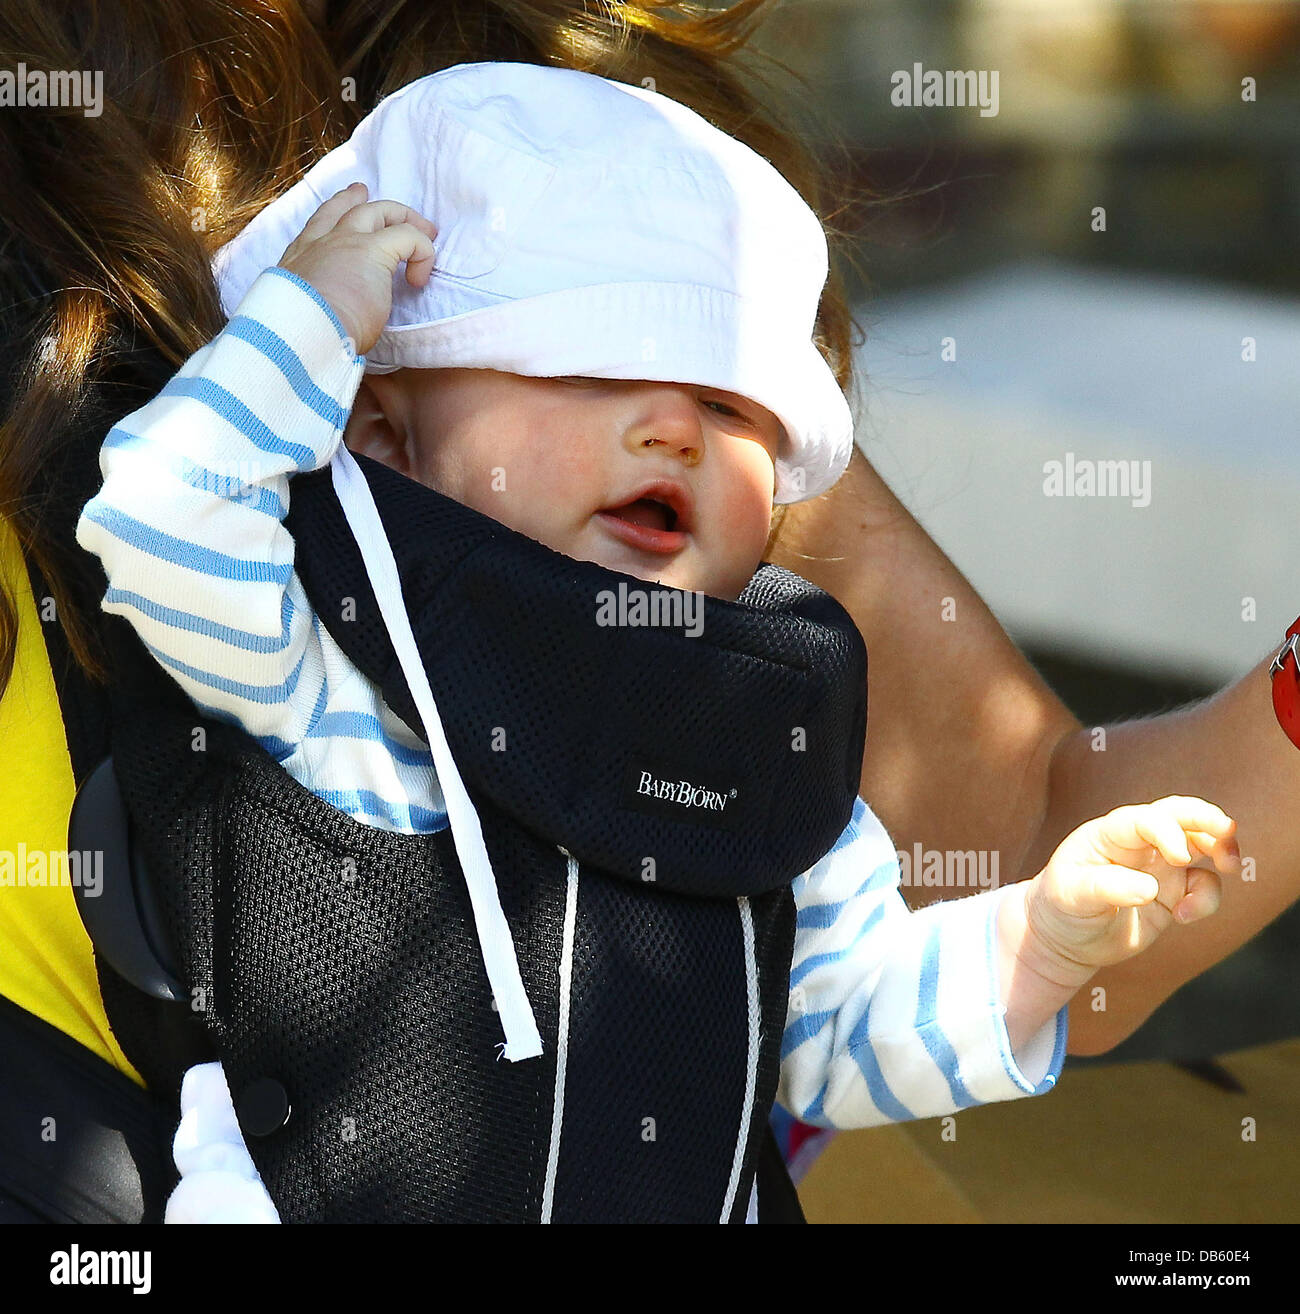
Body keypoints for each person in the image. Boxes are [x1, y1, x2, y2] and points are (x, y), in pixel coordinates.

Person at [72, 62, 1240, 1223]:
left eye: (733, 404)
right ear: (382, 427)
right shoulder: (329, 669)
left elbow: (834, 1036)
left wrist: (1034, 942)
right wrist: (309, 319)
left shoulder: (746, 734)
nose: (674, 425)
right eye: (592, 363)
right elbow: (160, 513)